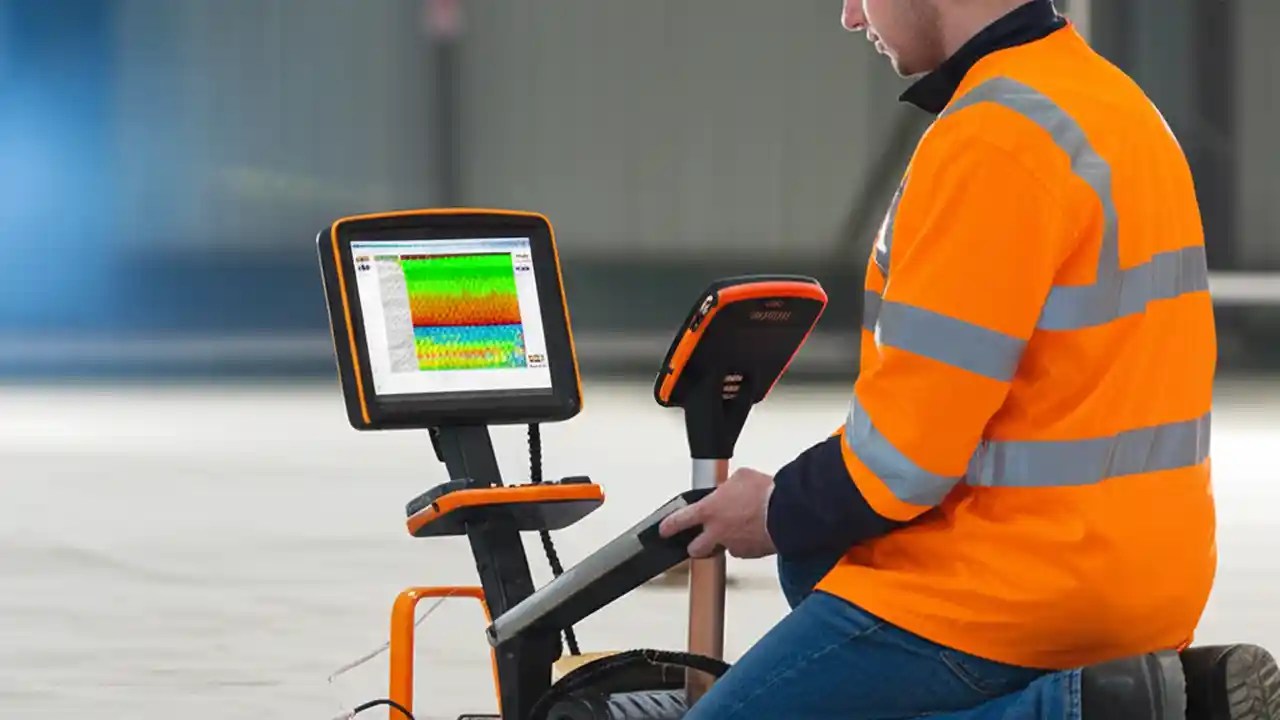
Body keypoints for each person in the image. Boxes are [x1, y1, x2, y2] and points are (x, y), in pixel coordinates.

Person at [659, 1, 1280, 718]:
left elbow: (903, 462)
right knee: (813, 559)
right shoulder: (1115, 105)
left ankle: (1081, 710)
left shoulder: (993, 138)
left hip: (1016, 596)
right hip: (1147, 584)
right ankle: (1149, 697)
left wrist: (775, 508)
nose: (851, 16)